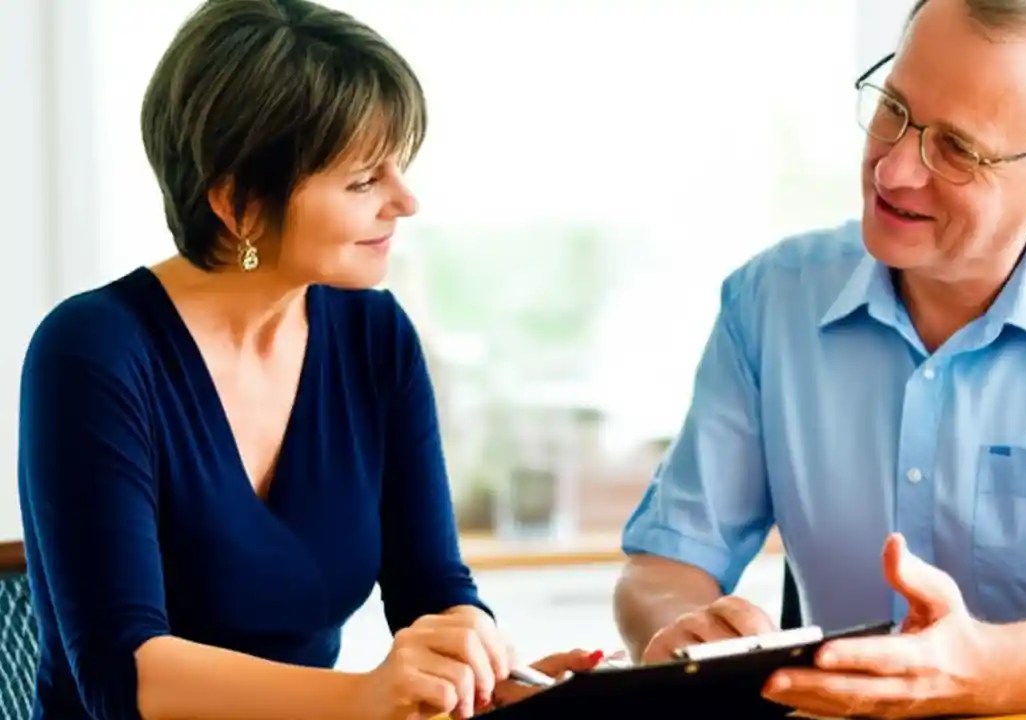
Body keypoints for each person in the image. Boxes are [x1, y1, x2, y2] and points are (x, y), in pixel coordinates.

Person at [613, 0, 1026, 716]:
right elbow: (660, 567)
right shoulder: (768, 302)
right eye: (894, 110)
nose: (896, 170)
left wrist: (991, 670)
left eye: (958, 149)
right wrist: (680, 626)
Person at [17, 1, 595, 718]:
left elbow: (431, 590)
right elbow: (121, 674)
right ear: (239, 205)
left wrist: (482, 665)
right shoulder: (93, 352)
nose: (405, 201)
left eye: (399, 167)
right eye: (362, 182)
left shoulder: (375, 336)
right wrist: (360, 697)